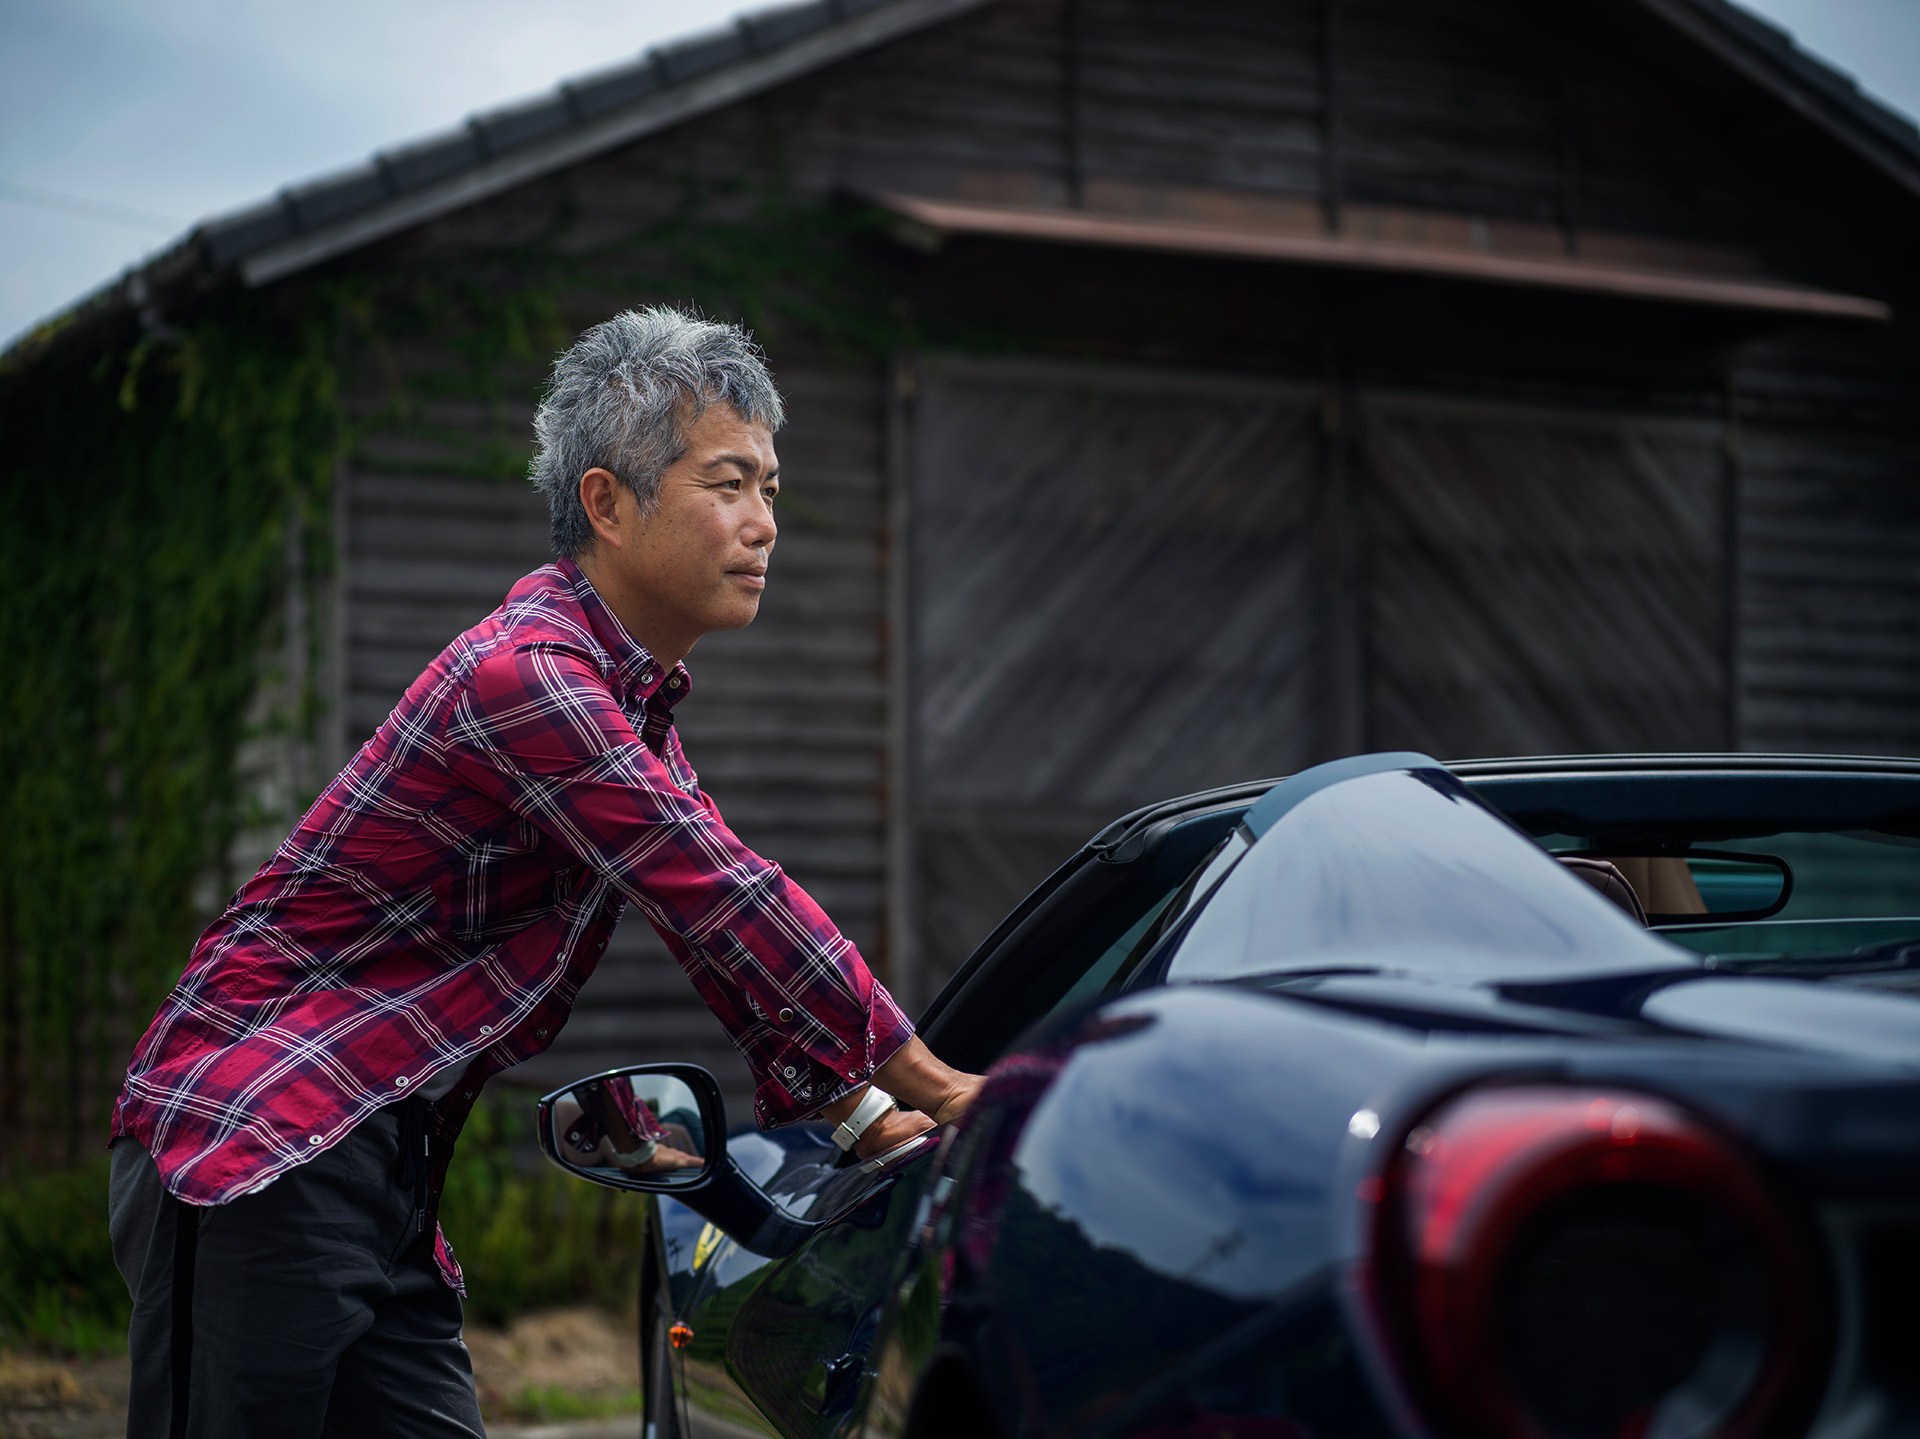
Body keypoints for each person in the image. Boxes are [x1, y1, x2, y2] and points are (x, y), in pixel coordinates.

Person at [106, 306, 984, 1439]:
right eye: (728, 483)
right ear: (608, 504)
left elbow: (713, 929)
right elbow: (722, 892)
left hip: (380, 1161)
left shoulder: (626, 713)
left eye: (771, 487)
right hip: (261, 1131)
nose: (765, 521)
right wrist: (943, 1088)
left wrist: (864, 1114)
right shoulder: (527, 680)